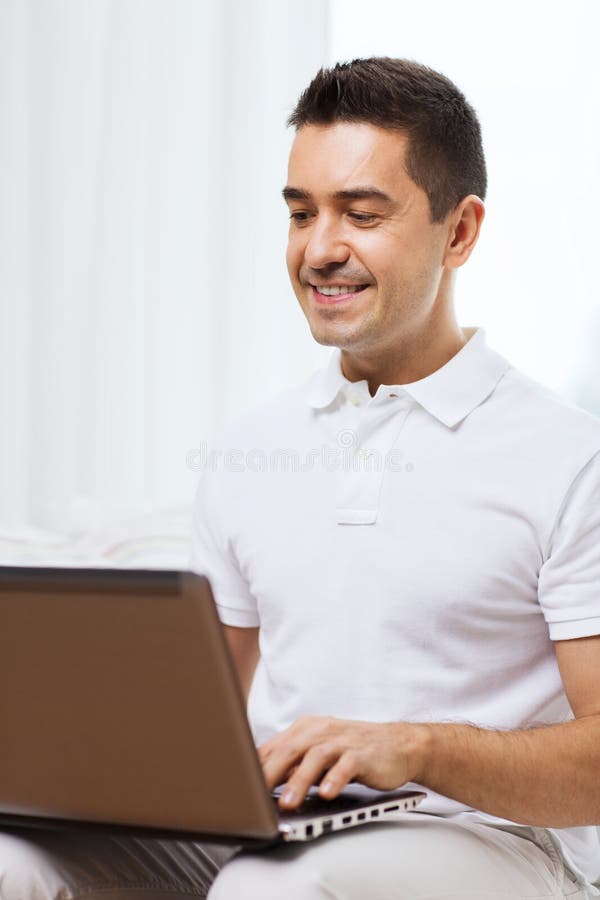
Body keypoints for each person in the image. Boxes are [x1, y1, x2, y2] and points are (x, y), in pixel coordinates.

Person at [1, 57, 599, 900]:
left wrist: (415, 747)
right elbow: (194, 715)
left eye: (361, 213)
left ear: (459, 231)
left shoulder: (569, 457)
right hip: (275, 826)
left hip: (489, 840)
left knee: (268, 891)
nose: (320, 249)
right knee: (12, 864)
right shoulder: (249, 452)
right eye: (300, 213)